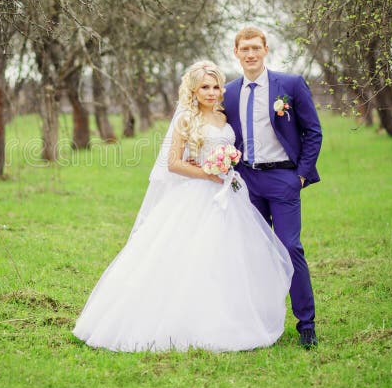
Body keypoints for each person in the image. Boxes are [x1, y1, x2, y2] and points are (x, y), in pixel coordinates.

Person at [72, 61, 293, 352]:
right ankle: (182, 323)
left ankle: (229, 319)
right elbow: (173, 163)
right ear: (193, 89)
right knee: (193, 257)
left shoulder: (223, 116)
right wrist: (207, 173)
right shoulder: (186, 120)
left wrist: (226, 168)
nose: (212, 92)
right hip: (197, 195)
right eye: (205, 87)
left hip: (230, 195)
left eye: (216, 86)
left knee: (229, 258)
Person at [223, 26, 323, 349]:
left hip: (283, 179)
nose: (250, 54)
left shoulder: (289, 85)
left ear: (266, 49)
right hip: (246, 181)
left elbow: (313, 132)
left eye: (256, 48)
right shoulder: (229, 92)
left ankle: (306, 324)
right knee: (251, 253)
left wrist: (301, 176)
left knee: (290, 248)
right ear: (236, 53)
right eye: (244, 49)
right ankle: (258, 322)